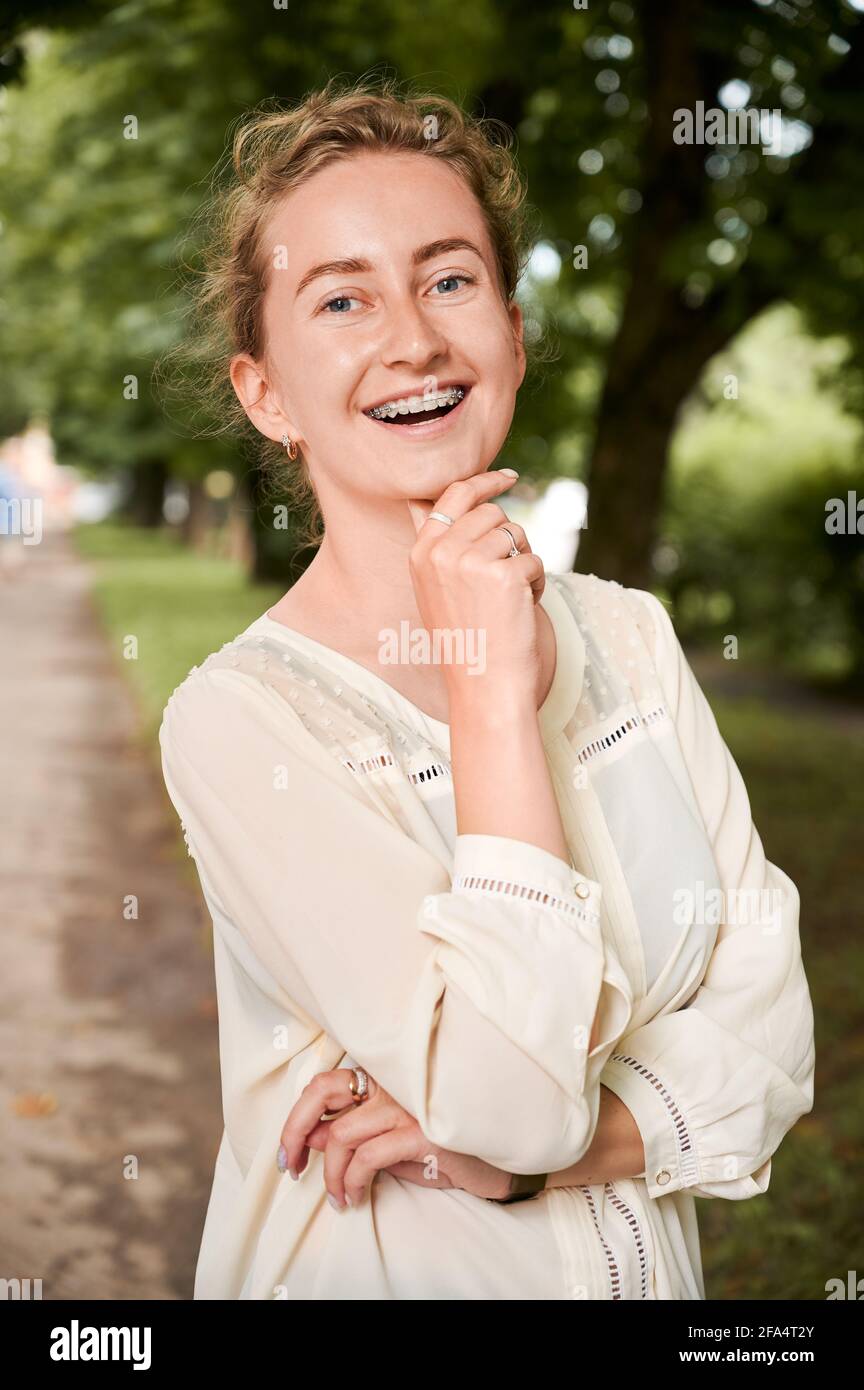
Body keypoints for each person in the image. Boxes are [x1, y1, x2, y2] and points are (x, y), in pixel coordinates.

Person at [158, 76, 815, 1301]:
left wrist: (533, 1161)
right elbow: (515, 1097)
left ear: (511, 330)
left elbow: (771, 1039)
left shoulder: (630, 635)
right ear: (265, 393)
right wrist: (486, 693)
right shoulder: (240, 722)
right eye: (342, 299)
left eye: (449, 279)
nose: (413, 338)